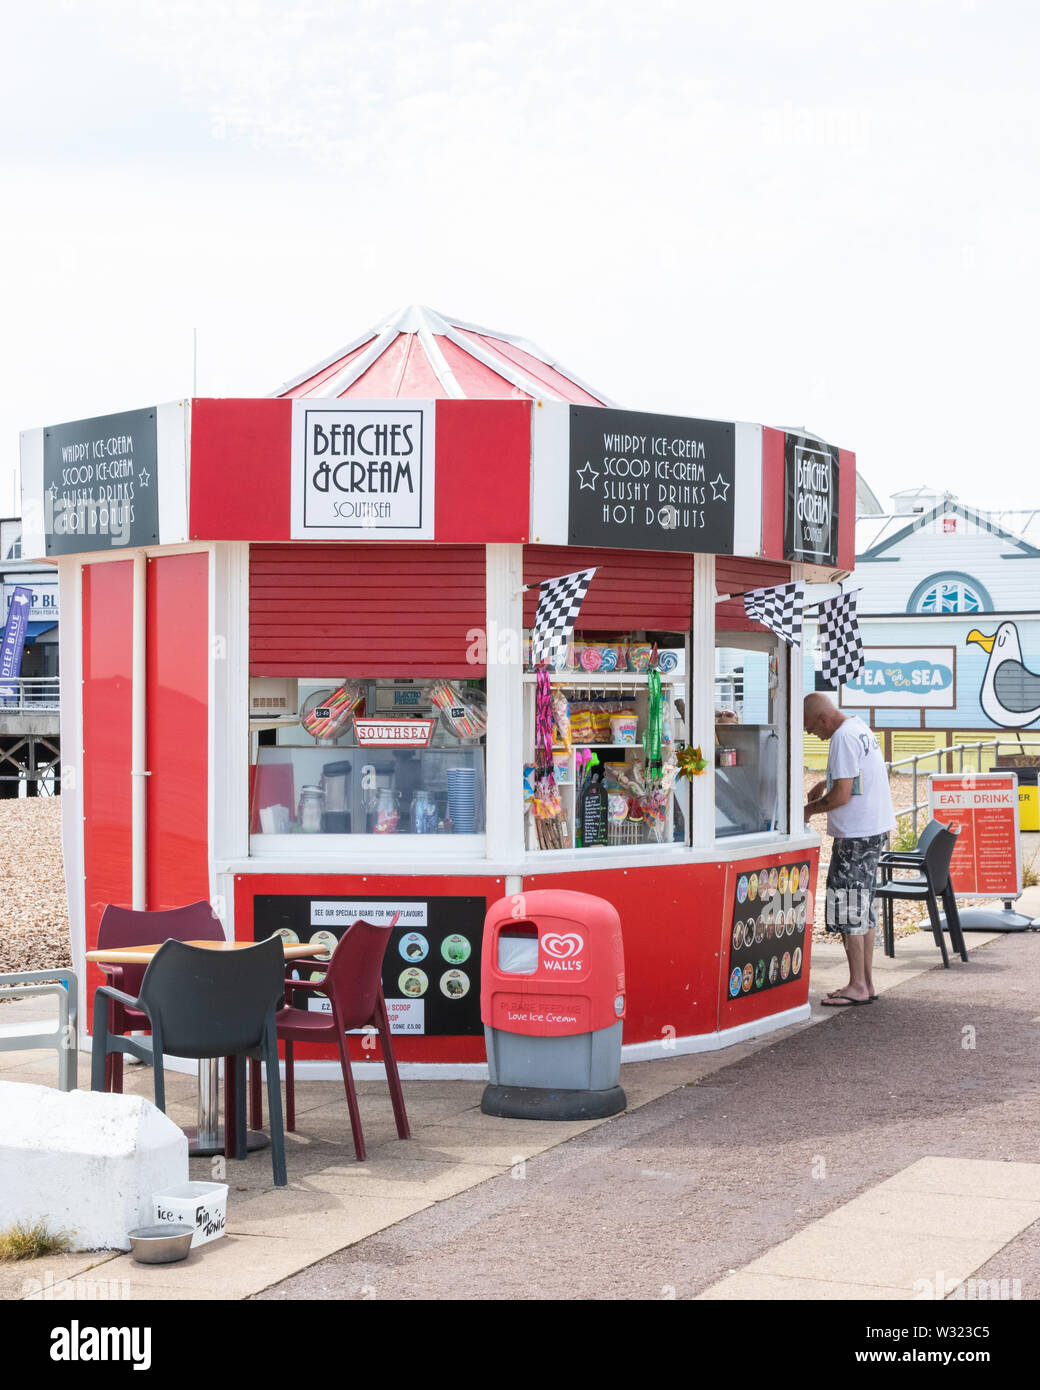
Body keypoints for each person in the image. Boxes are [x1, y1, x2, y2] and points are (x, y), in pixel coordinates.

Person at [803, 693, 895, 1006]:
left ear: (822, 719)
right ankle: (865, 983)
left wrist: (809, 809)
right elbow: (853, 783)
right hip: (873, 829)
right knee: (862, 907)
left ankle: (856, 985)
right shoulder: (858, 727)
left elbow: (842, 795)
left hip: (856, 834)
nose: (813, 735)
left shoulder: (841, 737)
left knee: (848, 906)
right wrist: (823, 787)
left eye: (812, 729)